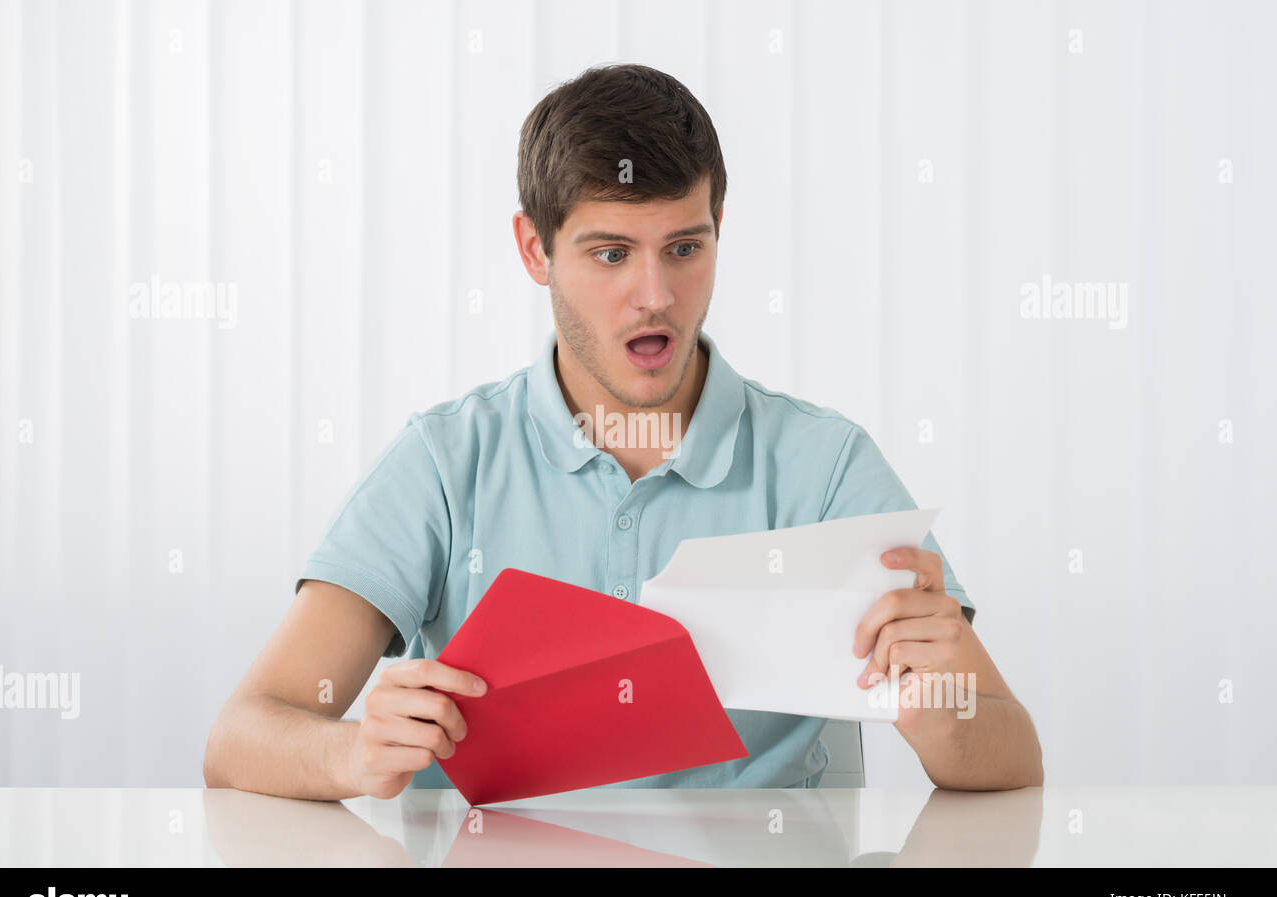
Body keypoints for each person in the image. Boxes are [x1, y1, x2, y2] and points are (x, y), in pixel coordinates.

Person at [203, 63, 1043, 801]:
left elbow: (1010, 756)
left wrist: (929, 705)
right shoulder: (445, 461)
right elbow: (242, 735)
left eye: (685, 246)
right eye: (611, 254)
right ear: (535, 249)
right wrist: (356, 751)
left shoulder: (825, 467)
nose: (655, 294)